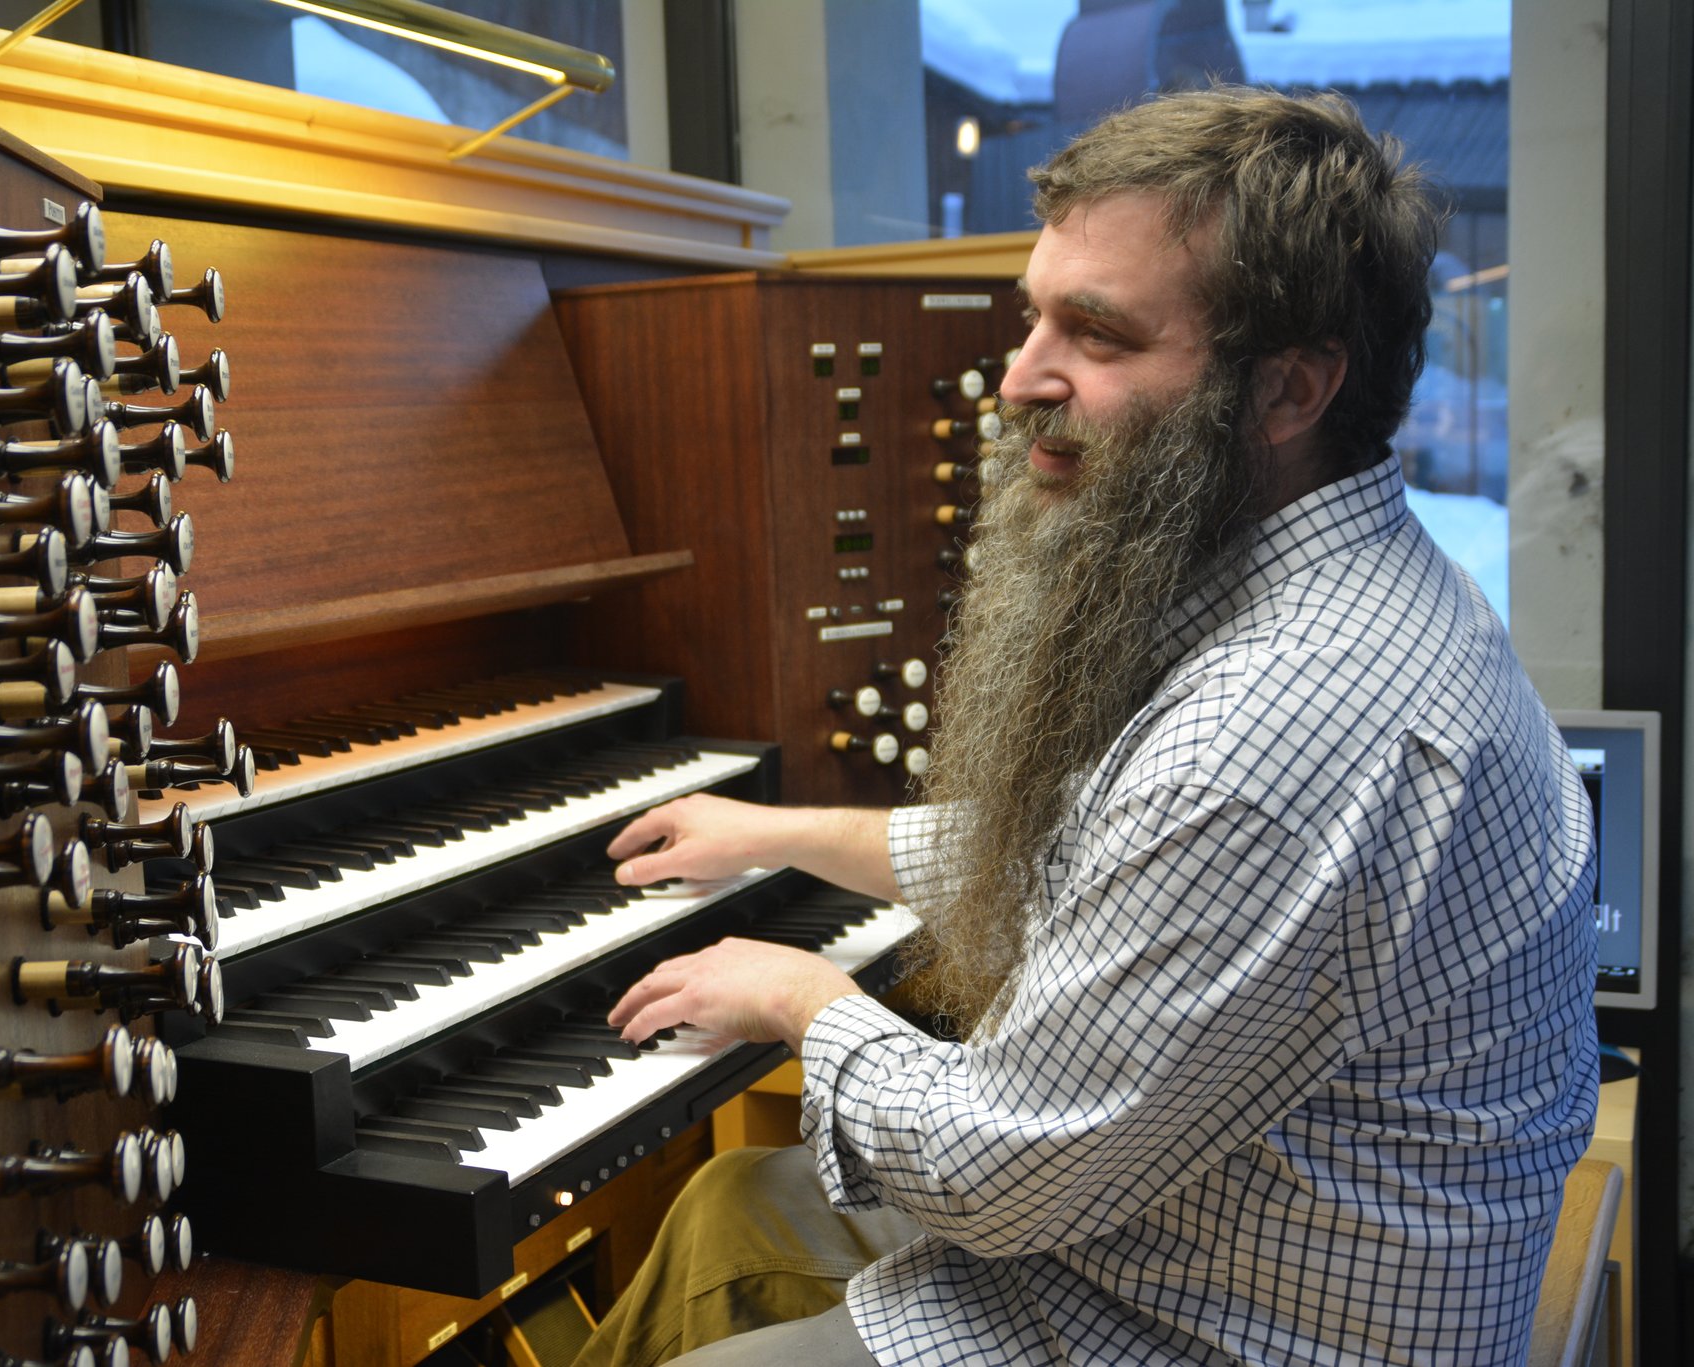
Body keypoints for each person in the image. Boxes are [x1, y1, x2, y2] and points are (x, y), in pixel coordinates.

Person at [577, 87, 1599, 1366]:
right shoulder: (1345, 576)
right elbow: (1112, 850)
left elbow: (1001, 1168)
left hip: (1219, 1327)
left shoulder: (1279, 725)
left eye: (1097, 335)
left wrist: (801, 995)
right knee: (732, 1206)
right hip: (1207, 1238)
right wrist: (783, 833)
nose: (1016, 380)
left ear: (1286, 389)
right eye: (1031, 316)